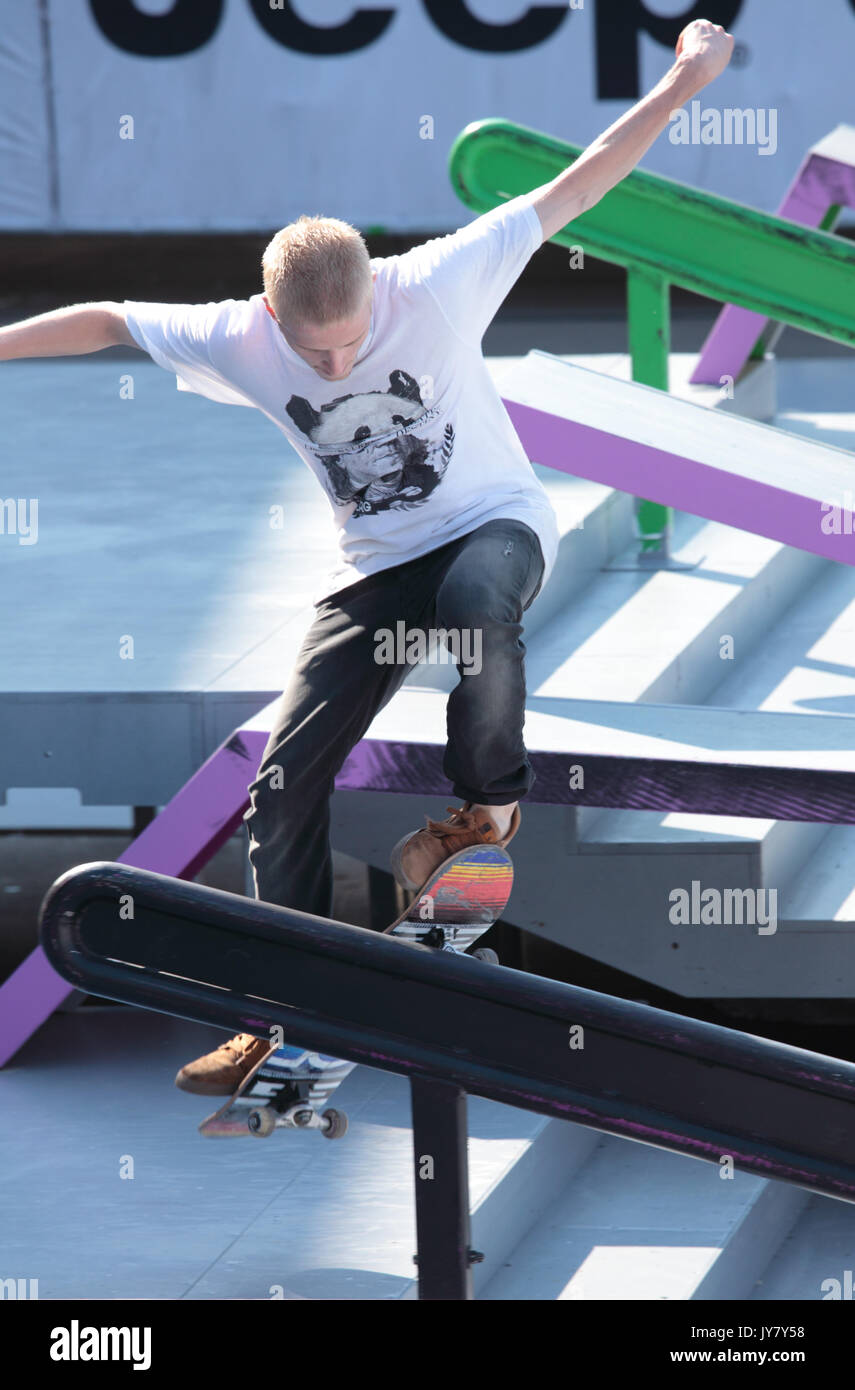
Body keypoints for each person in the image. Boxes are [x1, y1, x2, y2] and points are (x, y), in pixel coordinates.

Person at [1, 20, 732, 1094]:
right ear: (268, 314)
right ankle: (282, 1016)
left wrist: (682, 81)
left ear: (376, 292)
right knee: (282, 782)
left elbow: (579, 187)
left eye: (352, 341)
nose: (337, 362)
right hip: (373, 570)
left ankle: (485, 808)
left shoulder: (437, 279)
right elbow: (110, 317)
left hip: (493, 524)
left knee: (483, 600)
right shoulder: (237, 335)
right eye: (315, 350)